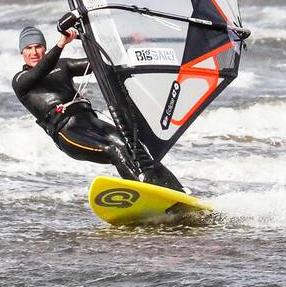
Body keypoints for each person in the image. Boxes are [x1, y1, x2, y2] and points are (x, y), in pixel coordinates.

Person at [12, 25, 182, 190]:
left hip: (91, 122)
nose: (34, 52)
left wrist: (128, 42)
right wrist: (61, 44)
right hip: (68, 132)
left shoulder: (62, 65)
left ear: (44, 48)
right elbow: (40, 71)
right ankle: (147, 193)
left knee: (134, 146)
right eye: (28, 48)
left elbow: (100, 61)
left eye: (38, 47)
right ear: (22, 52)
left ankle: (177, 191)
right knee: (114, 150)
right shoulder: (20, 81)